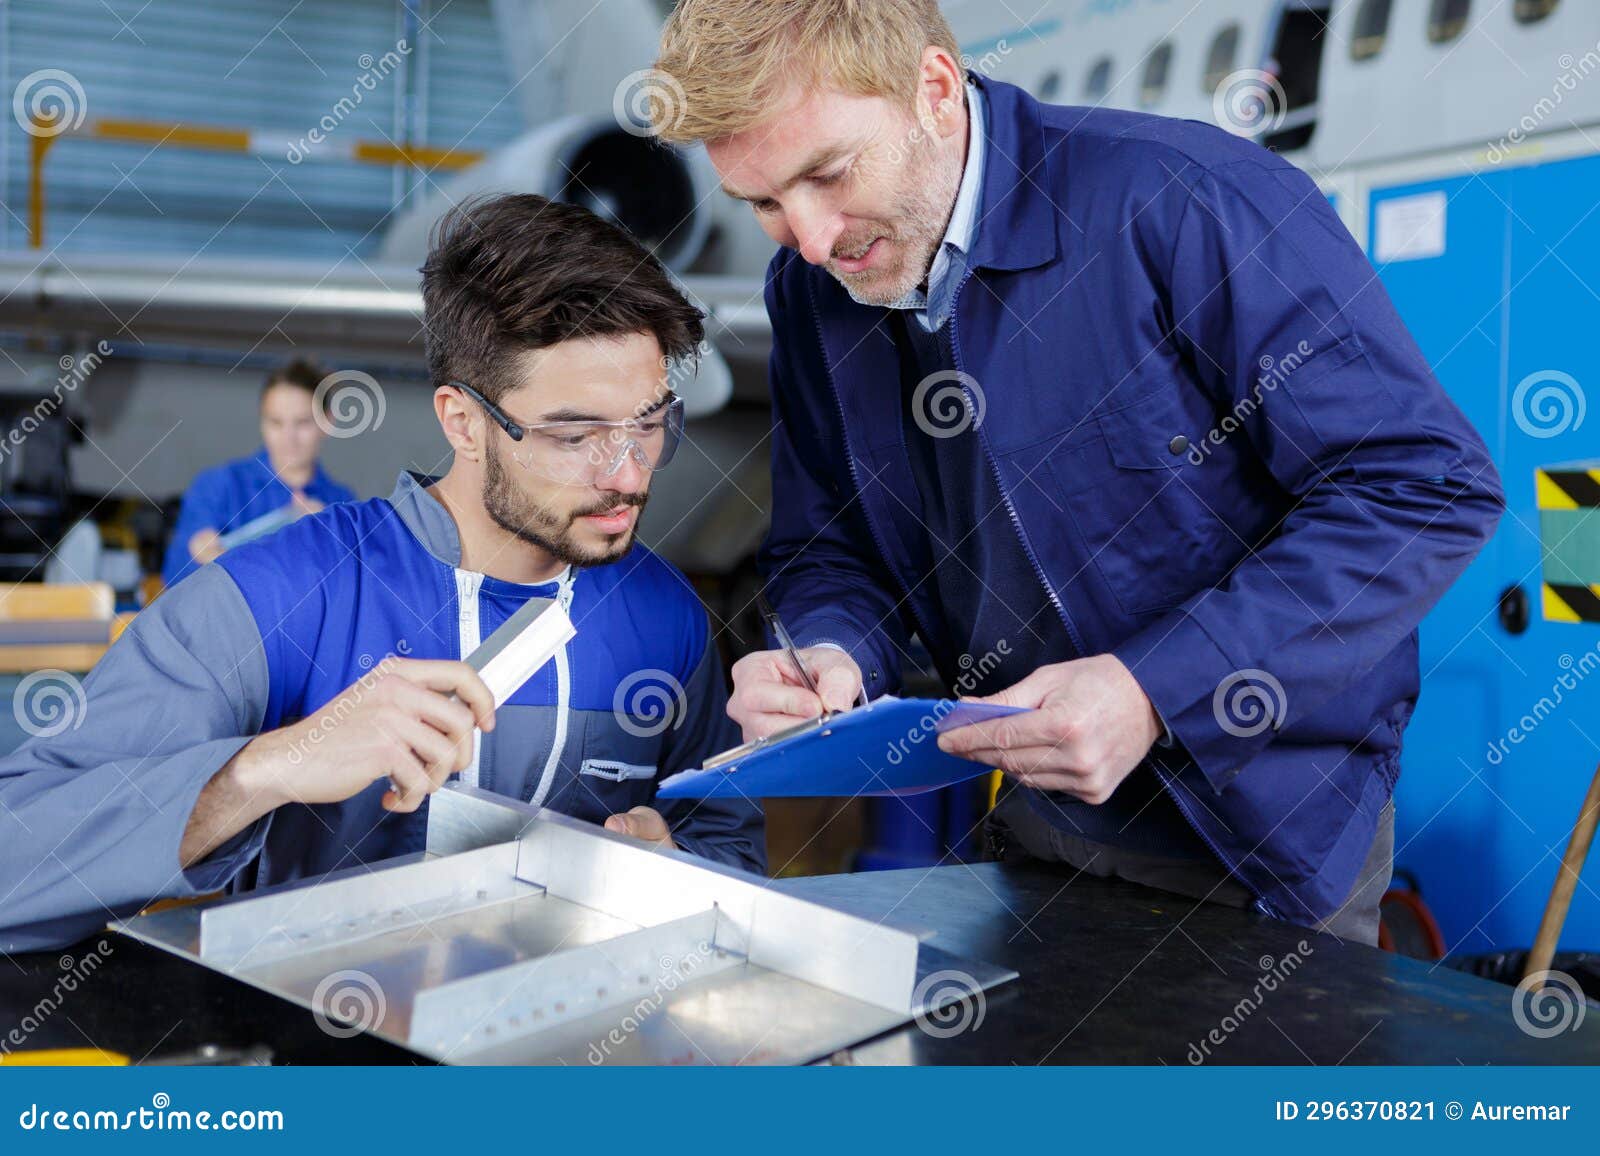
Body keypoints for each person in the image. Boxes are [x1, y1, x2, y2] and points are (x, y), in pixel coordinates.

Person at [653, 0, 1504, 944]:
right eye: (764, 203)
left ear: (934, 90)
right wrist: (832, 649)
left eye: (828, 174)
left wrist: (1153, 689)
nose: (811, 240)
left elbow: (1423, 488)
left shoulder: (1189, 199)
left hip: (1265, 839)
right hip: (1035, 819)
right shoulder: (813, 290)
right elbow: (829, 543)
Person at [0, 194, 763, 952]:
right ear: (463, 422)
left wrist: (680, 876)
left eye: (649, 424)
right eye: (576, 436)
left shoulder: (670, 623)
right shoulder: (271, 599)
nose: (629, 475)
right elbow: (16, 862)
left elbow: (734, 865)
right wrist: (268, 766)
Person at [161, 358, 357, 587]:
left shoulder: (342, 506)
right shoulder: (219, 486)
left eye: (303, 423)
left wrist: (326, 537)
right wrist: (201, 555)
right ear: (262, 421)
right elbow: (175, 580)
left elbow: (353, 592)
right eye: (276, 422)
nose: (289, 438)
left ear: (328, 422)